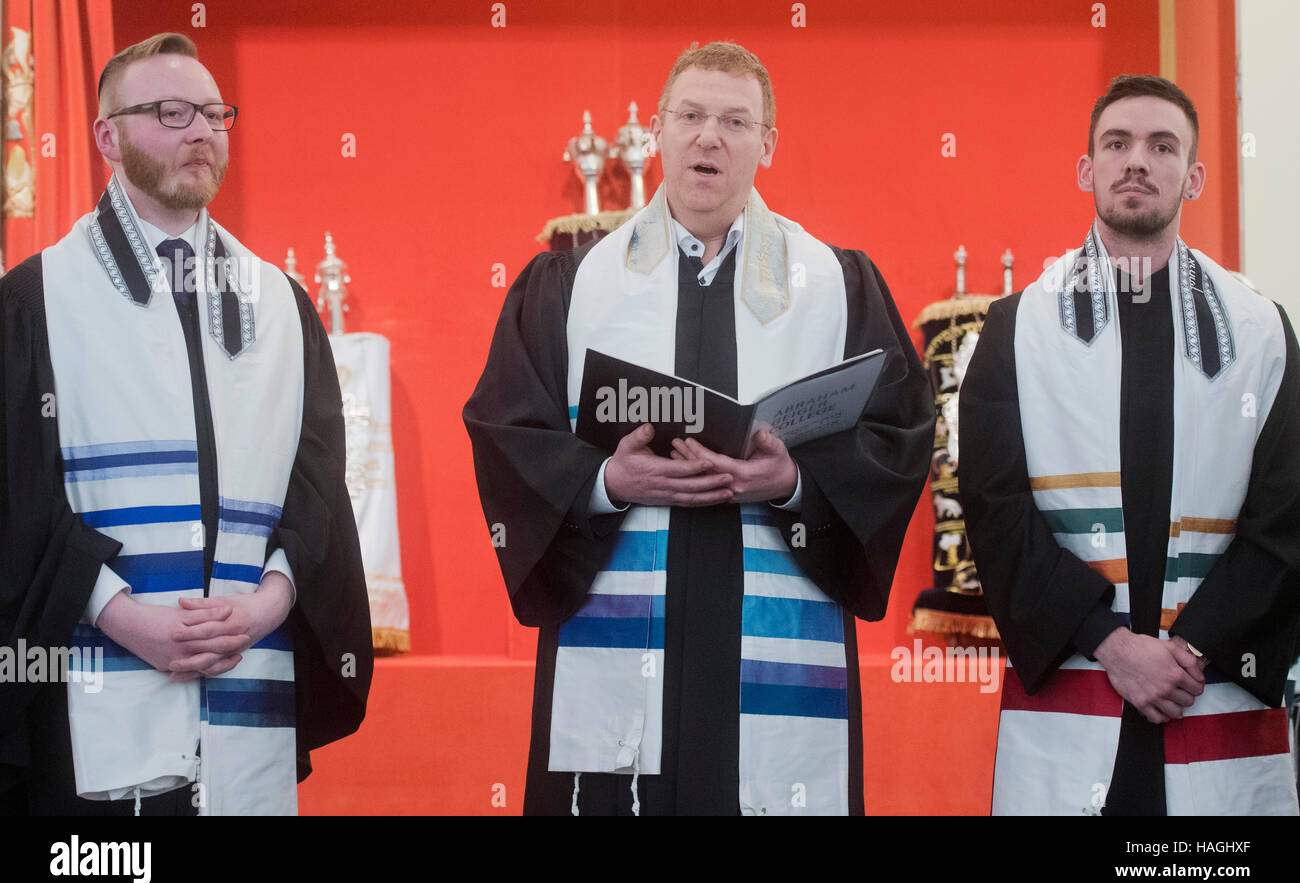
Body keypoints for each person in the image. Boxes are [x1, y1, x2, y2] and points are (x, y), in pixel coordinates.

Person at [465, 41, 932, 815]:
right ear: (658, 131)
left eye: (735, 121)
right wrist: (606, 483)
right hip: (619, 642)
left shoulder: (835, 286)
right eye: (690, 116)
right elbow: (505, 427)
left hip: (775, 639)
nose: (708, 137)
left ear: (768, 144)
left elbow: (899, 436)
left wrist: (796, 483)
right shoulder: (573, 283)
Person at [0, 32, 373, 816]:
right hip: (90, 682)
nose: (200, 130)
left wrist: (269, 601)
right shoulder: (34, 300)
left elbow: (316, 488)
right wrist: (120, 614)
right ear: (108, 137)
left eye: (213, 113)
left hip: (247, 668)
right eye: (171, 112)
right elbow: (14, 493)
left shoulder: (279, 302)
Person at [960, 74, 1300, 816]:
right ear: (1087, 169)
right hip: (1078, 677)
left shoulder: (1261, 330)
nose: (1136, 161)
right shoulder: (1018, 328)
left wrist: (1190, 651)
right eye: (1117, 144)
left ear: (1195, 176)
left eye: (1161, 146)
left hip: (1205, 691)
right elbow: (993, 508)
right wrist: (1112, 644)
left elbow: (1287, 519)